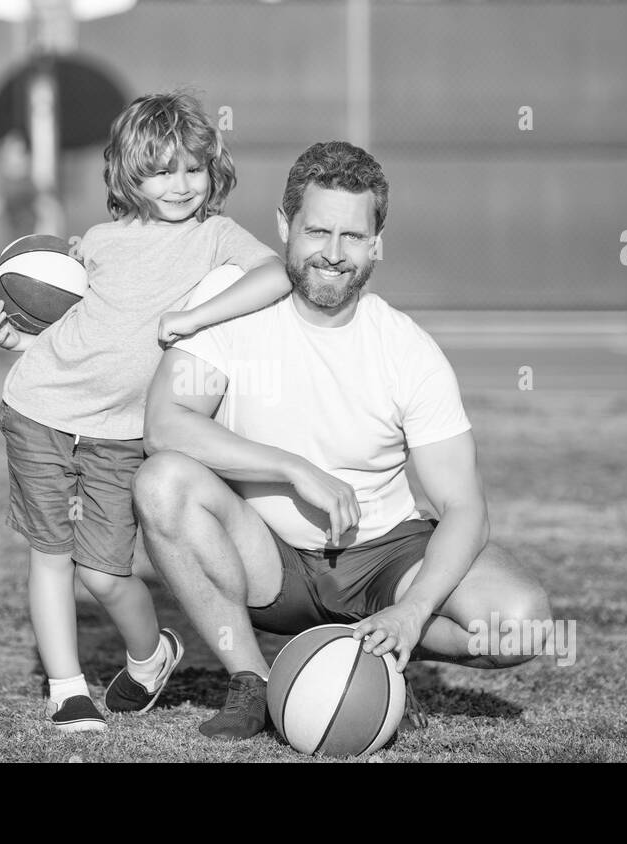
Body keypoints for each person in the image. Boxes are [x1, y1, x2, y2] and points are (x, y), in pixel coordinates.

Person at [134, 141, 553, 740]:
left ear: (378, 241)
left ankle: (377, 651)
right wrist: (291, 467)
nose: (332, 254)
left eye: (353, 237)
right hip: (269, 558)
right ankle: (252, 681)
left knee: (523, 623)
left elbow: (465, 508)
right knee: (162, 481)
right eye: (317, 231)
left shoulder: (407, 350)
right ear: (285, 226)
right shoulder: (229, 303)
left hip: (385, 558)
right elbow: (164, 424)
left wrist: (411, 612)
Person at [0, 92, 297, 733]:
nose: (178, 184)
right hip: (38, 406)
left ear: (213, 170)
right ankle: (67, 691)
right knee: (50, 554)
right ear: (130, 175)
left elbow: (279, 273)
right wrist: (22, 340)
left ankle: (152, 656)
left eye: (192, 168)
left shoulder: (215, 236)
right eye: (158, 169)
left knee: (102, 573)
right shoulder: (96, 241)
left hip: (121, 434)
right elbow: (86, 327)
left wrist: (195, 317)